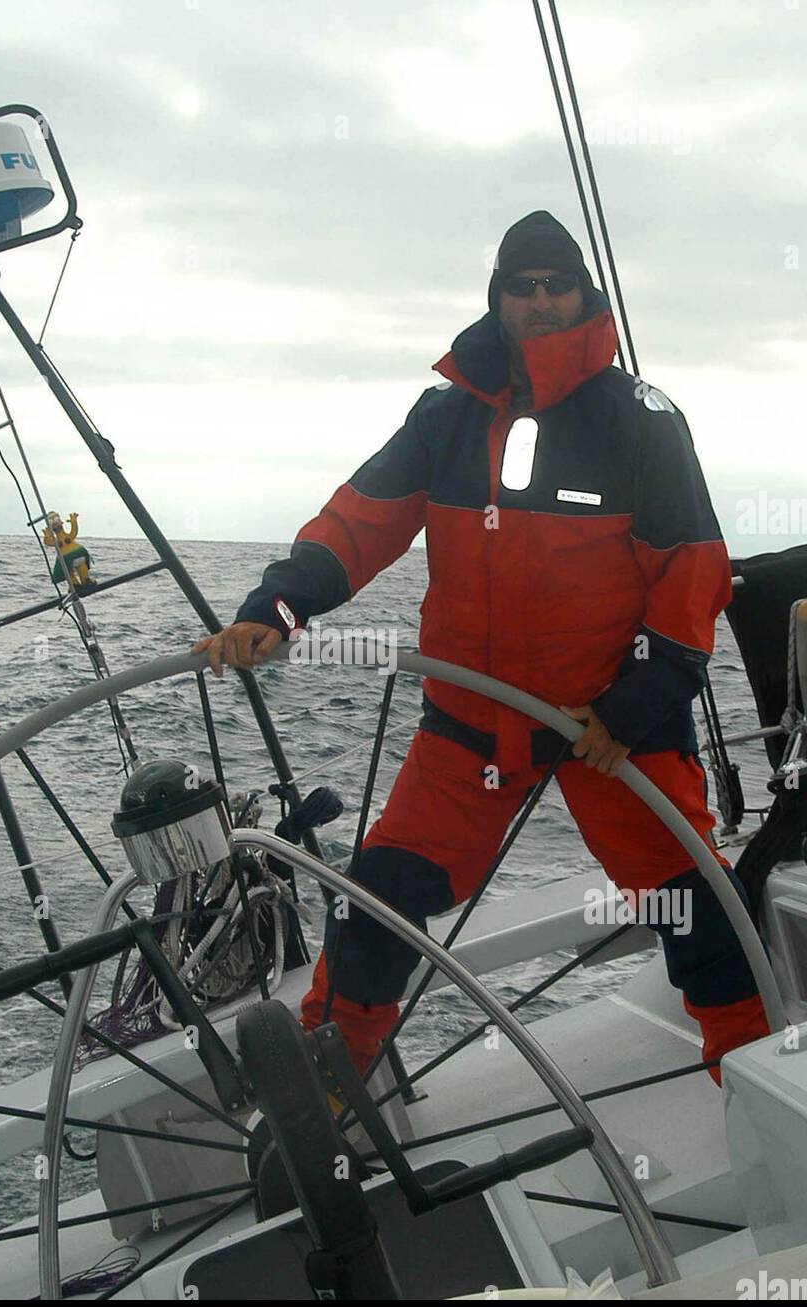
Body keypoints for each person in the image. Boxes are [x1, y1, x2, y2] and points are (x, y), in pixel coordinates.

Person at [191, 209, 771, 1086]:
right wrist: (279, 604)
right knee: (376, 896)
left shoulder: (642, 422)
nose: (540, 302)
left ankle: (756, 1080)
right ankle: (328, 1090)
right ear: (497, 299)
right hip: (472, 728)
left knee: (692, 907)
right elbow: (359, 523)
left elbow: (692, 576)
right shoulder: (445, 419)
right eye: (522, 286)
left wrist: (633, 706)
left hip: (613, 730)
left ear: (584, 295)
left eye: (557, 285)